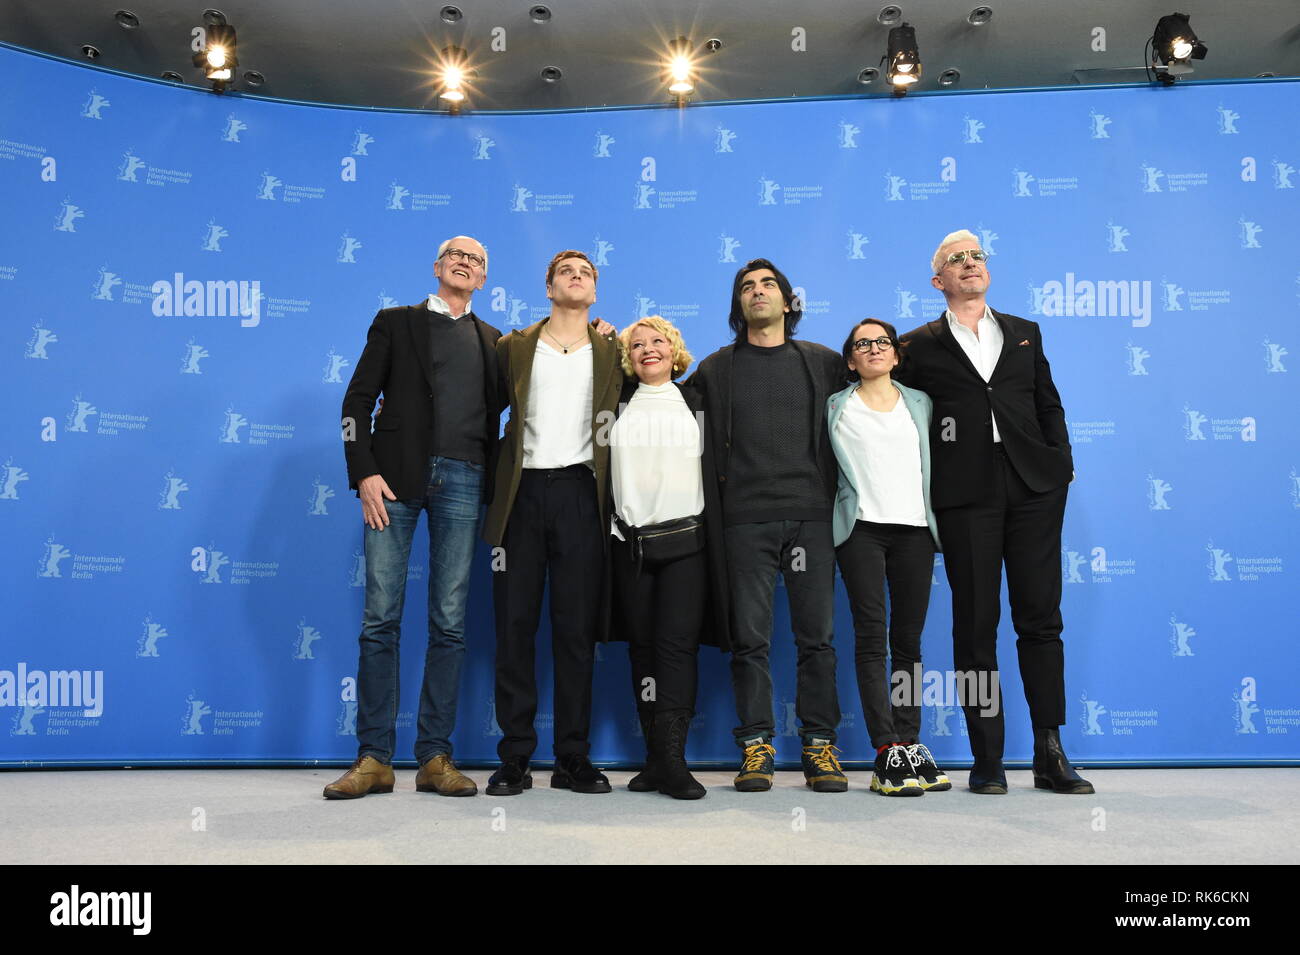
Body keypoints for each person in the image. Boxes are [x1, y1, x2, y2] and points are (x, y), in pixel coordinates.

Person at [896, 229, 1093, 795]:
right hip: (966, 496)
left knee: (1041, 620)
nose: (969, 263)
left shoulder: (1026, 333)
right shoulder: (917, 345)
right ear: (939, 281)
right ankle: (988, 759)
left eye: (976, 256)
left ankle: (1051, 753)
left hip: (1034, 486)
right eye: (955, 260)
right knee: (975, 623)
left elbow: (1047, 401)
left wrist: (1062, 462)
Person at [327, 235, 501, 799]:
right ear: (437, 266)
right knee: (381, 617)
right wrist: (364, 471)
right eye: (457, 255)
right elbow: (356, 403)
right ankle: (374, 757)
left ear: (483, 278)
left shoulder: (495, 342)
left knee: (449, 622)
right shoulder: (395, 322)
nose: (465, 263)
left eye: (476, 260)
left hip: (466, 480)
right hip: (393, 482)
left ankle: (434, 758)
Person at [688, 258, 847, 793]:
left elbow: (880, 386)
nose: (757, 292)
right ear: (738, 305)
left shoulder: (824, 362)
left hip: (812, 516)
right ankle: (756, 747)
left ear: (787, 300)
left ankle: (820, 748)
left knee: (816, 640)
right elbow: (659, 397)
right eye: (747, 287)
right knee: (749, 640)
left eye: (768, 284)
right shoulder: (715, 369)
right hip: (743, 520)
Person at [481, 250, 623, 796]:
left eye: (586, 272)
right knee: (514, 627)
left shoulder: (614, 348)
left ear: (595, 291)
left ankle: (572, 758)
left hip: (583, 494)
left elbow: (669, 369)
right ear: (548, 285)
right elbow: (486, 415)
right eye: (566, 270)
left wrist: (621, 335)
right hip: (521, 494)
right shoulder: (512, 346)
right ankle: (514, 757)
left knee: (575, 632)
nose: (577, 276)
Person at [608, 316, 729, 800]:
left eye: (658, 341)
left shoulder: (697, 398)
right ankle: (654, 759)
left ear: (675, 351)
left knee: (676, 650)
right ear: (627, 358)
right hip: (630, 546)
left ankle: (675, 761)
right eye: (636, 345)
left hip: (688, 545)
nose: (647, 349)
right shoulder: (614, 402)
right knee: (641, 651)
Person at [827, 318, 949, 796]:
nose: (874, 349)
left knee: (909, 642)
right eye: (863, 344)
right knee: (871, 636)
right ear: (852, 359)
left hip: (915, 531)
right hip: (860, 531)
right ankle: (885, 750)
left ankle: (910, 741)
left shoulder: (921, 403)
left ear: (896, 355)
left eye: (882, 342)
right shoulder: (835, 407)